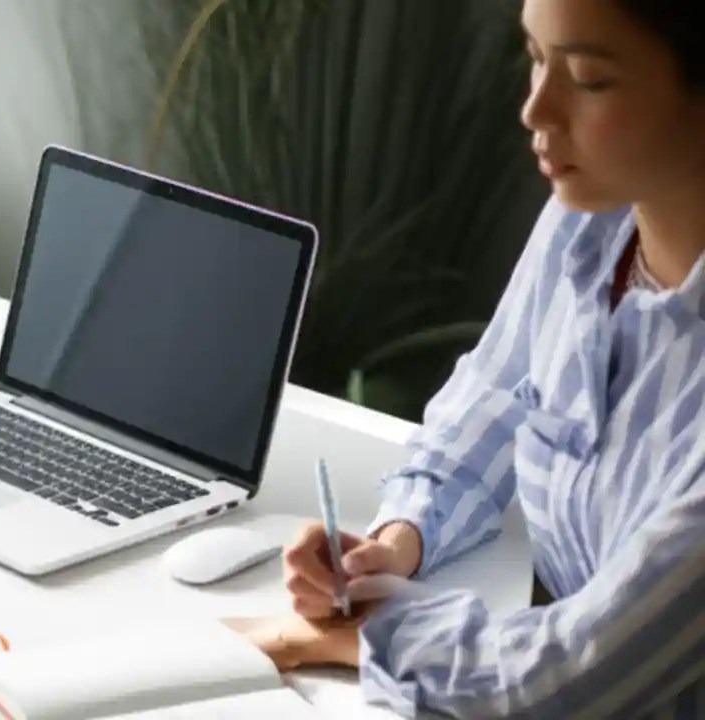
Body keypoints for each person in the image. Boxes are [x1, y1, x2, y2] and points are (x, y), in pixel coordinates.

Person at [264, 0, 705, 717]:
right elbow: (494, 398)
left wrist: (356, 637)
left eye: (589, 79)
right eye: (535, 57)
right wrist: (397, 540)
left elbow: (571, 679)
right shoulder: (588, 218)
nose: (535, 109)